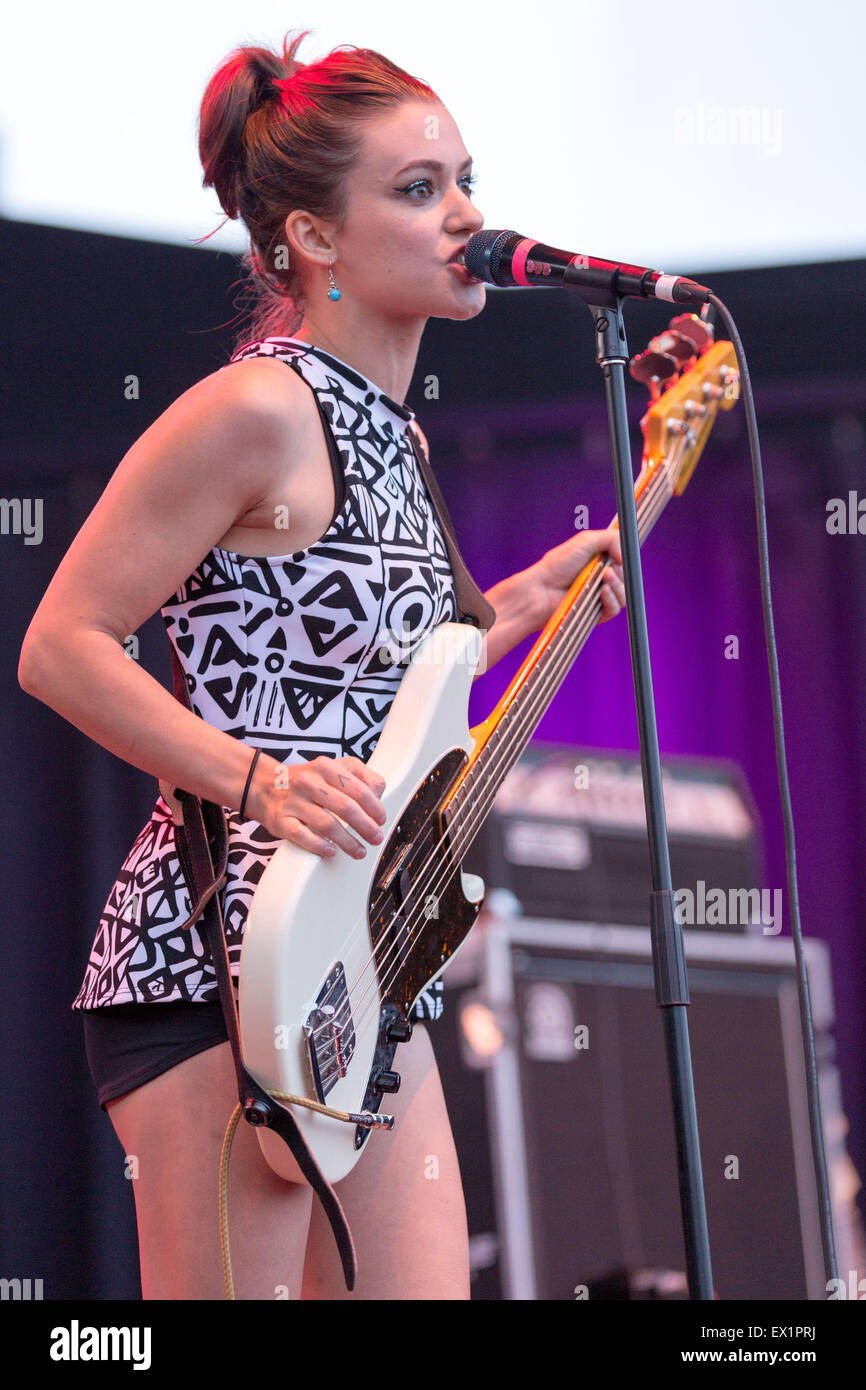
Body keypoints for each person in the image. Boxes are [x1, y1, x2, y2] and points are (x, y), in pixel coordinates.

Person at [17, 28, 625, 1301]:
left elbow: (388, 677)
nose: (465, 214)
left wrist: (529, 594)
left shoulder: (391, 435)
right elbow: (61, 643)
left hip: (359, 965)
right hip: (217, 960)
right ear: (313, 238)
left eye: (464, 178)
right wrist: (258, 780)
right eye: (418, 189)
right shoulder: (256, 408)